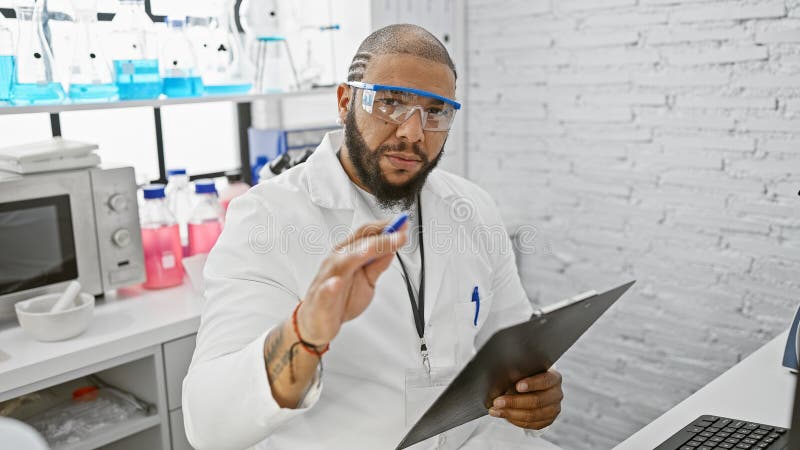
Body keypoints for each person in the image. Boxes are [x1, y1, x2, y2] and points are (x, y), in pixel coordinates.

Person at [182, 24, 564, 450]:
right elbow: (208, 424)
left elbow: (514, 348)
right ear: (345, 102)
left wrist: (534, 398)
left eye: (435, 111)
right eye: (391, 103)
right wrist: (304, 333)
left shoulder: (472, 207)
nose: (413, 132)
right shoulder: (266, 219)